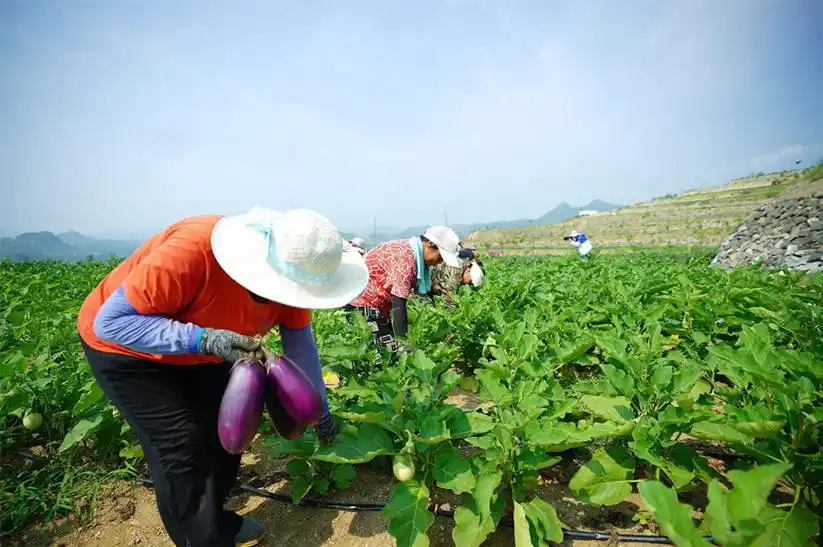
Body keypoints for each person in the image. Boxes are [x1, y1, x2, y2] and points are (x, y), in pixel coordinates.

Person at [75, 206, 368, 547]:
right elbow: (112, 323)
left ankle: (217, 520)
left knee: (231, 431)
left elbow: (301, 348)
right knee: (182, 446)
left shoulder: (296, 278)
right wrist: (204, 339)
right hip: (128, 349)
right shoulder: (194, 250)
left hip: (210, 347)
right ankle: (202, 539)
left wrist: (320, 412)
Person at [346, 226, 460, 363]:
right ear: (430, 245)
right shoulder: (406, 260)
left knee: (388, 352)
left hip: (375, 307)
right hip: (363, 304)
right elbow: (398, 306)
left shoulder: (409, 250)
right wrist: (404, 344)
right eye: (440, 256)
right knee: (382, 359)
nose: (439, 262)